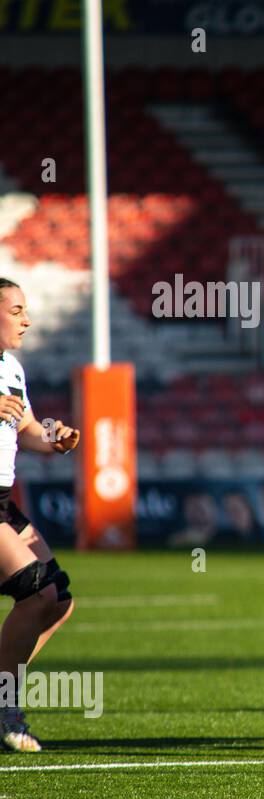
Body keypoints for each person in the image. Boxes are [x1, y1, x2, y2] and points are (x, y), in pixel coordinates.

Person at [0, 278, 81, 753]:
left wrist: (53, 439)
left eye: (26, 309)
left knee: (58, 598)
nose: (27, 319)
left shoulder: (11, 367)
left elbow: (27, 426)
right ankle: (5, 706)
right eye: (15, 310)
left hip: (4, 501)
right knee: (35, 591)